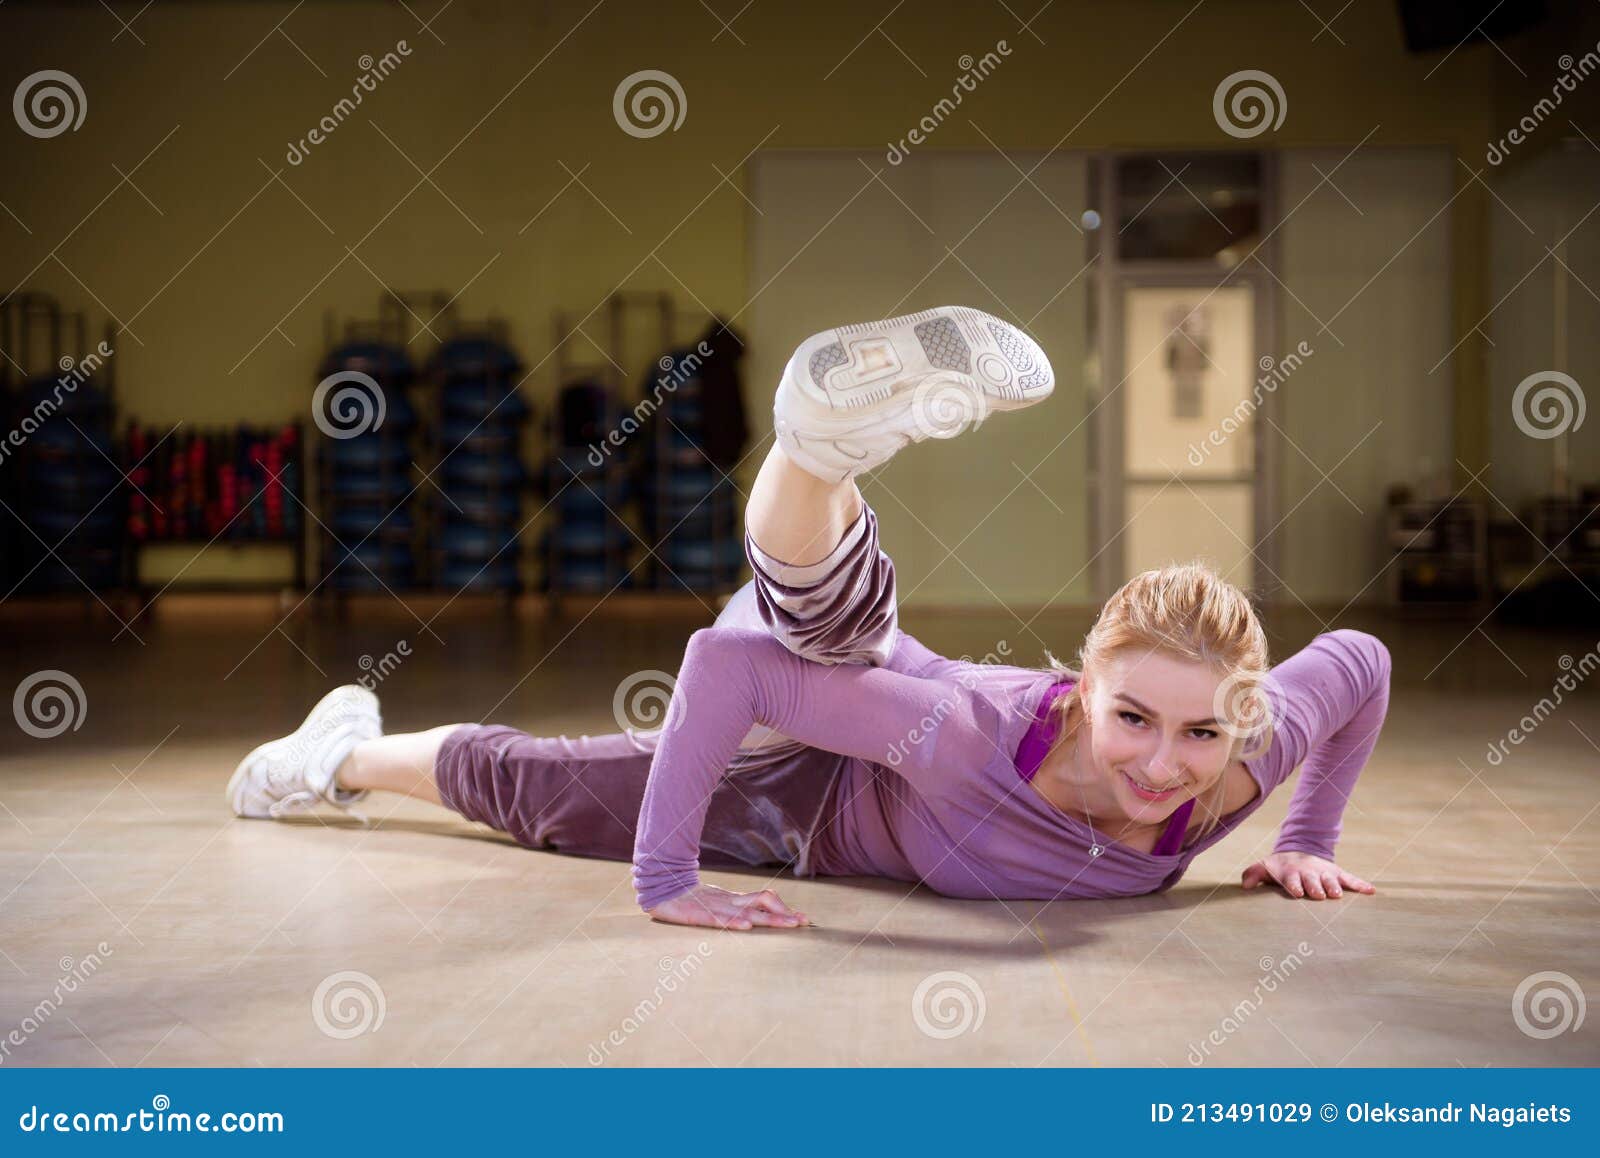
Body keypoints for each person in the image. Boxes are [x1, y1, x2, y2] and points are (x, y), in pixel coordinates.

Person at [228, 306, 1387, 931]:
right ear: (1085, 689)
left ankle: (816, 456)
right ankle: (328, 762)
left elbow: (1360, 659)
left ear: (1243, 722)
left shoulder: (1250, 749)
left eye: (1203, 736)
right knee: (556, 789)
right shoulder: (969, 740)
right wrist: (665, 878)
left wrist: (1305, 842)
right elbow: (729, 663)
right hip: (820, 770)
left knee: (840, 623)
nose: (1164, 766)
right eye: (1134, 717)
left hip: (871, 674)